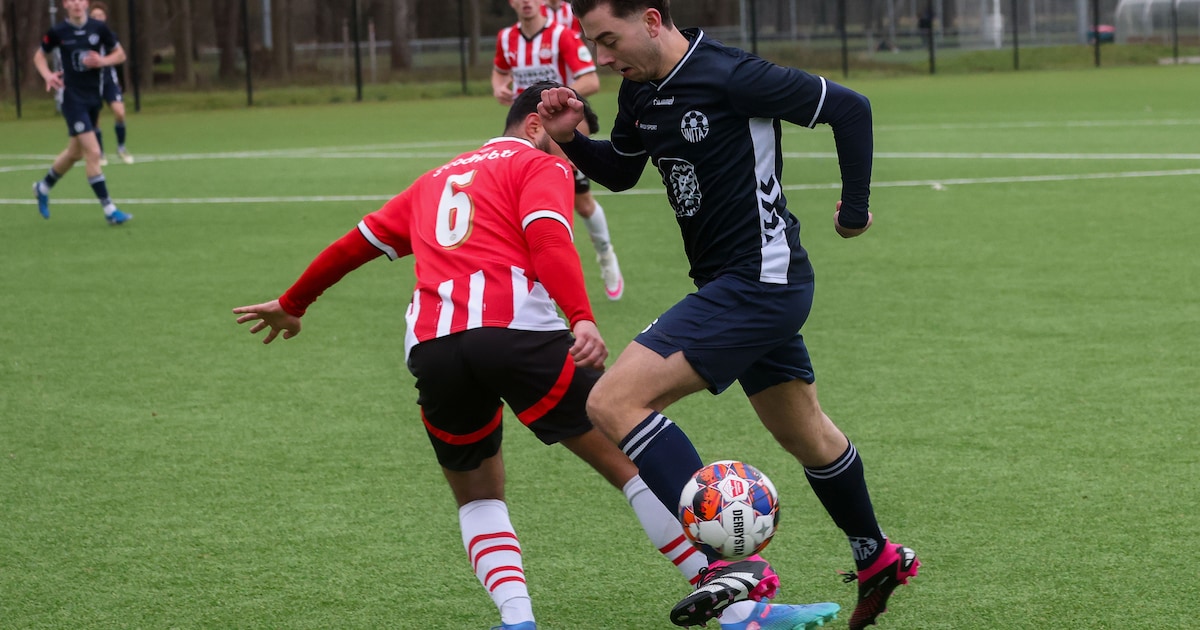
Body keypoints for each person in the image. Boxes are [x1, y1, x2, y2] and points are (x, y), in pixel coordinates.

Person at [231, 82, 839, 630]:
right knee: (630, 458)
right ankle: (738, 608)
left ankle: (517, 621)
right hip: (521, 336)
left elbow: (353, 244)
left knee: (478, 495)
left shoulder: (434, 180)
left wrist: (293, 302)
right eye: (569, 145)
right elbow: (549, 240)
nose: (573, 159)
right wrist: (580, 318)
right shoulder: (536, 162)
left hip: (436, 348)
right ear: (532, 125)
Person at [535, 1, 920, 629]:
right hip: (737, 285)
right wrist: (573, 138)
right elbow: (624, 173)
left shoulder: (731, 74)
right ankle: (876, 555)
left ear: (652, 21)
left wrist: (854, 210)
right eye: (594, 45)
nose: (603, 59)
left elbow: (850, 108)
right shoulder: (640, 92)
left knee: (611, 402)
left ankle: (727, 565)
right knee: (806, 434)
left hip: (758, 283)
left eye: (610, 40)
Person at [493, 0, 624, 301]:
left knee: (582, 203)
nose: (527, 2)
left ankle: (605, 255)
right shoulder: (506, 39)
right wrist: (500, 87)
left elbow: (590, 80)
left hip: (558, 133)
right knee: (521, 205)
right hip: (526, 131)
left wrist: (552, 97)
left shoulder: (561, 36)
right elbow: (500, 73)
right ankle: (531, 279)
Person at [32, 0, 132, 225]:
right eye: (72, 0)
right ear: (65, 5)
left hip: (93, 99)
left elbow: (120, 55)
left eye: (80, 0)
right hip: (72, 100)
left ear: (86, 3)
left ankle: (43, 187)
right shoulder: (58, 31)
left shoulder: (99, 28)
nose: (77, 3)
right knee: (94, 152)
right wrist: (48, 75)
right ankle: (110, 210)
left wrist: (102, 61)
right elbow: (38, 56)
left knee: (74, 153)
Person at [88, 1, 134, 165]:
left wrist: (121, 82)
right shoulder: (84, 36)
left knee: (119, 112)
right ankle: (99, 152)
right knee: (96, 118)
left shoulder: (110, 36)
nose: (98, 19)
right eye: (94, 16)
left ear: (105, 18)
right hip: (91, 82)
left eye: (100, 16)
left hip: (108, 80)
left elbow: (119, 58)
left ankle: (121, 147)